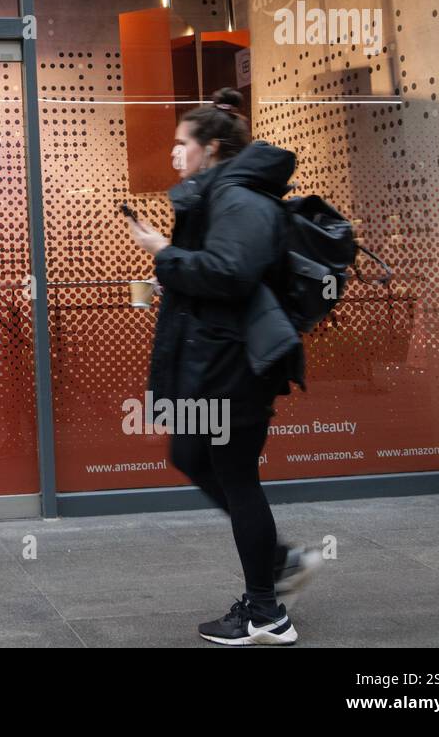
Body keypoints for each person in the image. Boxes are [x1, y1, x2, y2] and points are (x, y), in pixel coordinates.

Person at [125, 87, 322, 646]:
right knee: (188, 452)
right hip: (216, 365)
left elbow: (229, 274)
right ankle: (279, 563)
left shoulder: (240, 200)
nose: (173, 153)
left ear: (210, 147)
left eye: (181, 143)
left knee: (237, 478)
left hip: (237, 368)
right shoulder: (220, 196)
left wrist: (163, 251)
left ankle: (267, 613)